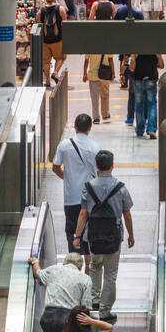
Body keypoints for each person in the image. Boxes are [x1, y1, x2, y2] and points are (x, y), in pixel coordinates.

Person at [72, 150, 134, 322]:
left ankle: (95, 302)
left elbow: (83, 214)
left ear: (97, 166)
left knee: (94, 267)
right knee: (110, 275)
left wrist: (77, 236)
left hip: (93, 237)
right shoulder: (120, 188)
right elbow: (127, 214)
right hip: (113, 238)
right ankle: (105, 312)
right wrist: (131, 235)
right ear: (112, 166)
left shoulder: (88, 187)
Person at [53, 114, 100, 269]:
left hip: (71, 198)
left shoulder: (64, 145)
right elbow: (99, 173)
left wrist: (67, 178)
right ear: (90, 128)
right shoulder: (95, 148)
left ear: (74, 127)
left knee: (72, 235)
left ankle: (73, 270)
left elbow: (55, 167)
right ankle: (88, 273)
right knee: (89, 237)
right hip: (90, 199)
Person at [27, 253, 93, 332]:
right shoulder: (86, 279)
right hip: (69, 319)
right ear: (80, 267)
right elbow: (86, 307)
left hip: (48, 317)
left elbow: (37, 274)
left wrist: (35, 262)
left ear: (64, 263)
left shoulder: (54, 270)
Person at [130, 52, 164, 139]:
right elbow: (161, 65)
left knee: (139, 105)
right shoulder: (154, 49)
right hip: (151, 79)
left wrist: (133, 57)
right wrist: (159, 56)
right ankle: (151, 129)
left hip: (139, 80)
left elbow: (131, 68)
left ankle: (140, 129)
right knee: (152, 104)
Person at [39, 0, 66, 84]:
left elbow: (38, 24)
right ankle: (55, 72)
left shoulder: (41, 11)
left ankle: (47, 81)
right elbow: (65, 23)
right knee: (61, 58)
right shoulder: (60, 9)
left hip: (45, 41)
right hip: (58, 40)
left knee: (46, 62)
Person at [82, 51, 113, 122]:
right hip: (105, 75)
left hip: (93, 75)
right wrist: (113, 73)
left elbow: (86, 61)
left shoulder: (90, 46)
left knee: (94, 97)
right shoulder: (107, 45)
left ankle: (96, 117)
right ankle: (105, 114)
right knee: (105, 96)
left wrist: (85, 73)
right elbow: (110, 60)